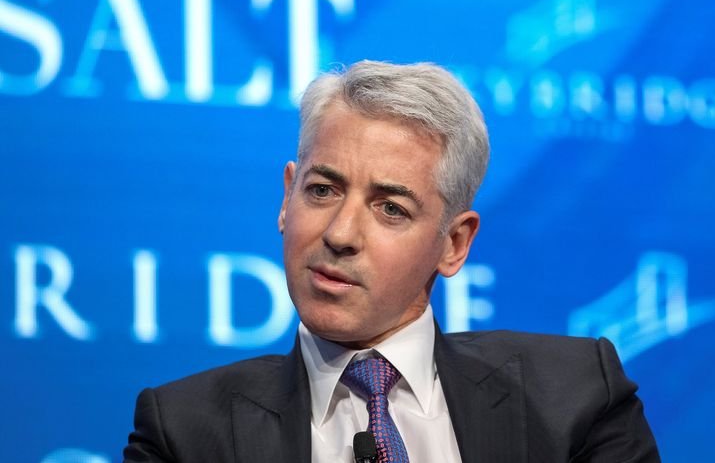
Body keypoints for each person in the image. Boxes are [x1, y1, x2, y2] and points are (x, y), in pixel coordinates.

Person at [123, 61, 660, 462]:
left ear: (454, 244)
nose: (340, 234)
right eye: (323, 190)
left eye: (390, 208)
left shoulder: (575, 396)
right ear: (287, 198)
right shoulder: (184, 434)